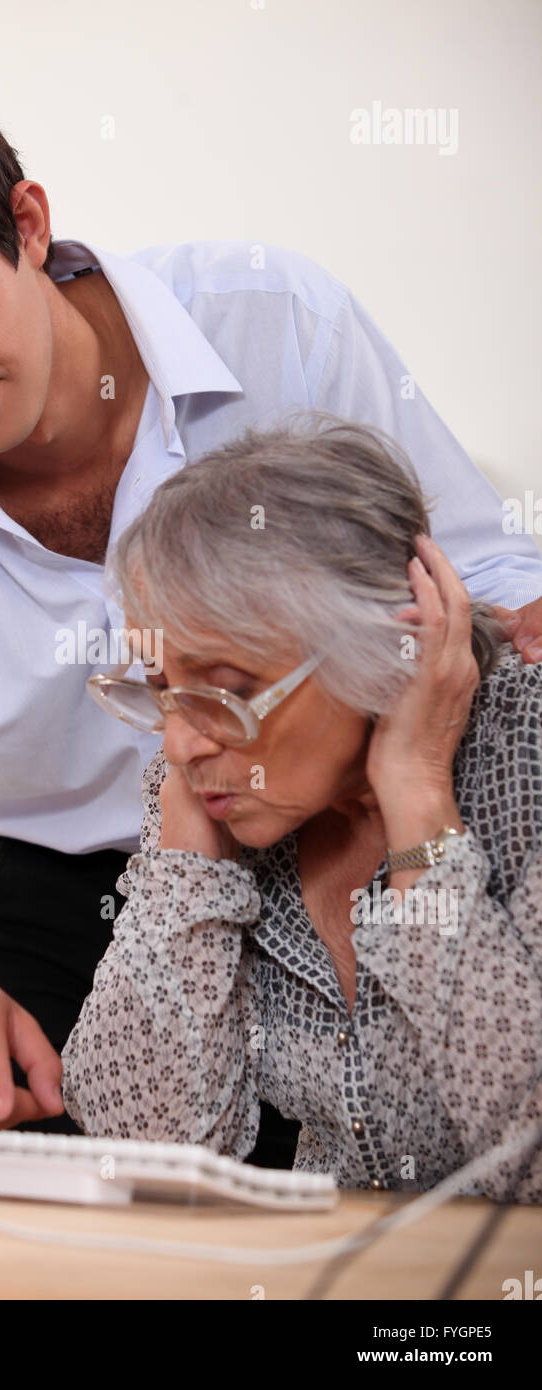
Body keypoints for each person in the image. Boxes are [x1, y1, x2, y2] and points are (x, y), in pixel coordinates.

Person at [0, 65, 542, 1156]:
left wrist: (434, 798)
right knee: (24, 1231)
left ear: (27, 222)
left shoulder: (276, 320)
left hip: (296, 854)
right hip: (23, 881)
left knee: (305, 1195)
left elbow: (482, 576)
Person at [61, 414, 542, 1201]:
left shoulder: (527, 754)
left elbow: (530, 1166)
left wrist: (419, 796)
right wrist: (185, 851)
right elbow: (142, 1150)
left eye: (225, 689)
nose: (178, 744)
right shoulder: (215, 787)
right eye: (160, 687)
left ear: (391, 649)